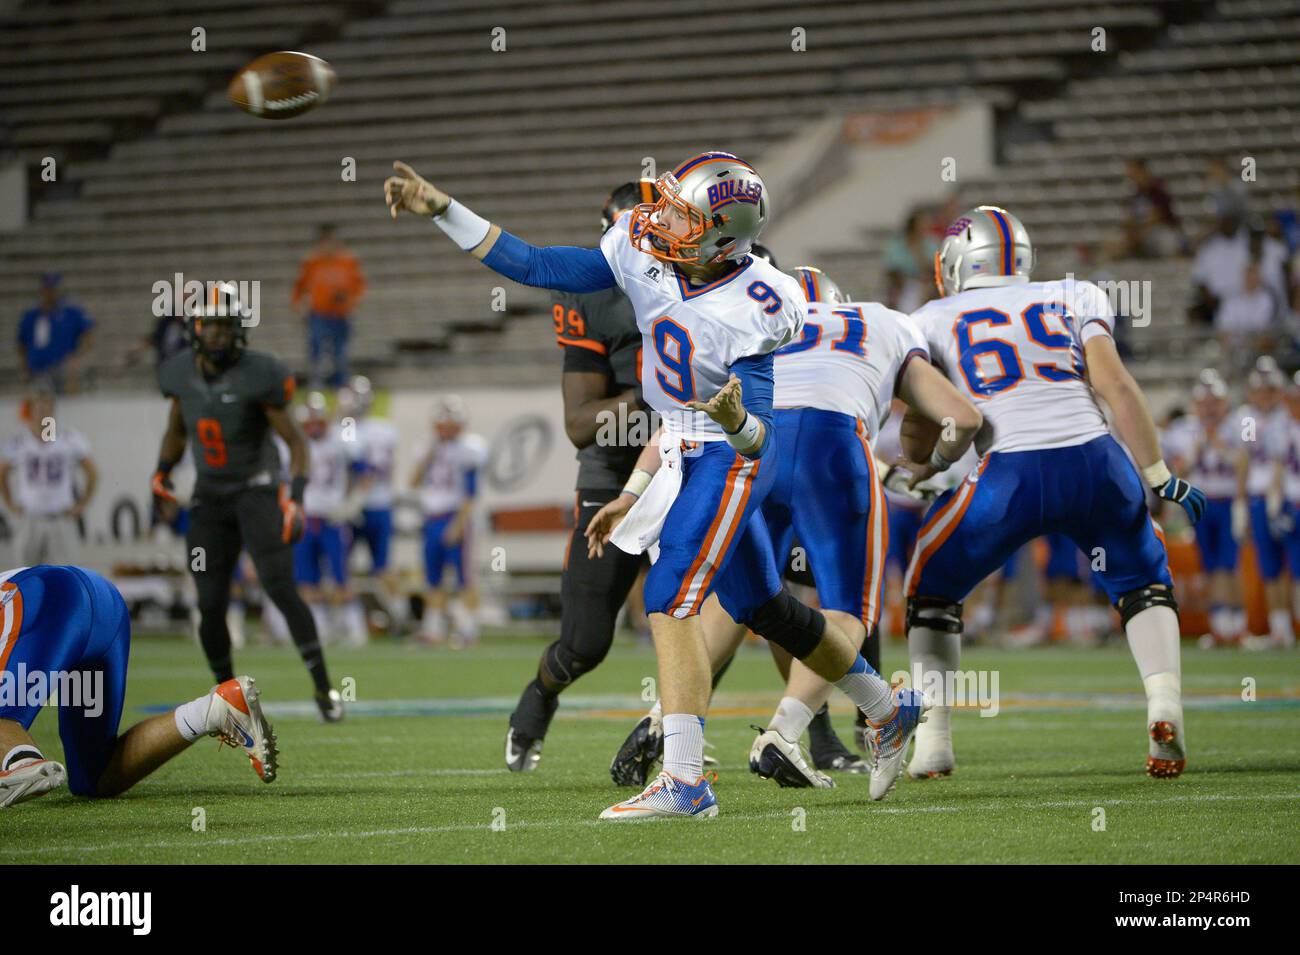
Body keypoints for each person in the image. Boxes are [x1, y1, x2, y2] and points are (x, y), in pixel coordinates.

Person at [386, 151, 929, 816]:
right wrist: (442, 209)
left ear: (725, 237)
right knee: (765, 605)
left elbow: (760, 439)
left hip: (730, 456)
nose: (661, 219)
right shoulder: (639, 245)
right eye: (668, 204)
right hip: (678, 445)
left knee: (670, 591)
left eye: (682, 214)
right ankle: (885, 705)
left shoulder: (762, 300)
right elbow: (534, 264)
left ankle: (685, 781)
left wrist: (735, 423)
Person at [607, 264, 981, 790]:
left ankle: (660, 717)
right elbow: (961, 418)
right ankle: (783, 732)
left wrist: (634, 490)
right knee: (847, 608)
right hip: (832, 440)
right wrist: (928, 468)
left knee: (742, 597)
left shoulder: (742, 323)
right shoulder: (883, 320)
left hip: (751, 447)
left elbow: (682, 418)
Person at [904, 206, 1207, 781]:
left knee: (931, 587)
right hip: (1096, 462)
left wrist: (920, 465)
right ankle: (1164, 705)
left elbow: (922, 424)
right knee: (1143, 584)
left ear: (957, 264)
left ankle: (934, 740)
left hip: (1009, 474)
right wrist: (1158, 473)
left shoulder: (929, 317)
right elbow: (1115, 383)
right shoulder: (1074, 294)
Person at [505, 181, 655, 771]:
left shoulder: (704, 279)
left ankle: (807, 731)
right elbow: (579, 424)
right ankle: (540, 694)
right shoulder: (593, 295)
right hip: (616, 476)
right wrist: (651, 401)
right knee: (586, 642)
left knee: (746, 606)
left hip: (694, 466)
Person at [152, 282, 343, 721]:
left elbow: (296, 442)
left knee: (279, 587)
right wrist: (162, 471)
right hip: (209, 499)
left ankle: (323, 688)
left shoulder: (261, 372)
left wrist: (294, 496)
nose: (216, 333)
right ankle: (228, 702)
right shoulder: (178, 373)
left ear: (238, 329)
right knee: (209, 602)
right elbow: (177, 428)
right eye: (208, 324)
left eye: (224, 325)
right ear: (193, 327)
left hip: (257, 491)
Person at [0, 565, 276, 806]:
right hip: (98, 607)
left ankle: (21, 765)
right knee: (94, 777)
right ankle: (213, 710)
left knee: (5, 717)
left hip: (54, 599)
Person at [411, 396, 487, 647]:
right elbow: (413, 481)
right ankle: (433, 629)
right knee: (432, 578)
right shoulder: (427, 448)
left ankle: (468, 630)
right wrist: (432, 451)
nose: (445, 429)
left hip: (455, 517)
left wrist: (458, 523)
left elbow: (470, 493)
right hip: (431, 518)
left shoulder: (469, 448)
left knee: (464, 578)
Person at [0, 387, 97, 566]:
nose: (44, 414)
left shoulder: (68, 439)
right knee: (26, 576)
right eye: (40, 409)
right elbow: (2, 473)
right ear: (32, 411)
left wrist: (81, 505)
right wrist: (10, 504)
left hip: (60, 518)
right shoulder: (19, 441)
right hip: (30, 518)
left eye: (48, 409)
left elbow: (92, 473)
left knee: (63, 576)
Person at [341, 376, 407, 632]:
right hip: (364, 506)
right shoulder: (349, 429)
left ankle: (401, 619)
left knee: (380, 570)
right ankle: (350, 624)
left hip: (373, 505)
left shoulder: (375, 430)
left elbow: (371, 471)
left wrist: (353, 502)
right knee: (342, 569)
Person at [292, 224, 367, 388]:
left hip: (341, 314)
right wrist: (299, 306)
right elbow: (300, 286)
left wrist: (350, 302)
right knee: (316, 349)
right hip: (319, 314)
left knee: (341, 352)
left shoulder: (347, 261)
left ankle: (341, 384)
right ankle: (317, 383)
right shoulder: (312, 262)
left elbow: (359, 287)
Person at [16, 273, 94, 394]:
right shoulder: (31, 314)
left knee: (67, 404)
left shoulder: (71, 312)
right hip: (37, 370)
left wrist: (77, 357)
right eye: (48, 289)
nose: (50, 293)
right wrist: (24, 367)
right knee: (43, 409)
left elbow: (89, 336)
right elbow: (21, 344)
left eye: (53, 289)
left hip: (62, 369)